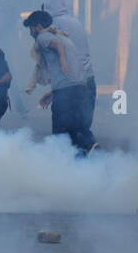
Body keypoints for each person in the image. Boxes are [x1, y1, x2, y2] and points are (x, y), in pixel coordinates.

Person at [25, 9, 95, 154]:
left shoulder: (43, 36)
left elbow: (58, 47)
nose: (30, 33)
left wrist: (63, 60)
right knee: (76, 132)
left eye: (31, 28)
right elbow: (70, 76)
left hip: (67, 92)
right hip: (79, 89)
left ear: (37, 27)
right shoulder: (64, 37)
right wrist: (52, 94)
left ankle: (65, 166)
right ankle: (88, 157)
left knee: (60, 135)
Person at [44, 0, 97, 142]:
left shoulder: (53, 25)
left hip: (69, 86)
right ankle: (91, 160)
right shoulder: (76, 22)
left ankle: (66, 163)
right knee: (82, 130)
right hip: (88, 81)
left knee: (62, 136)